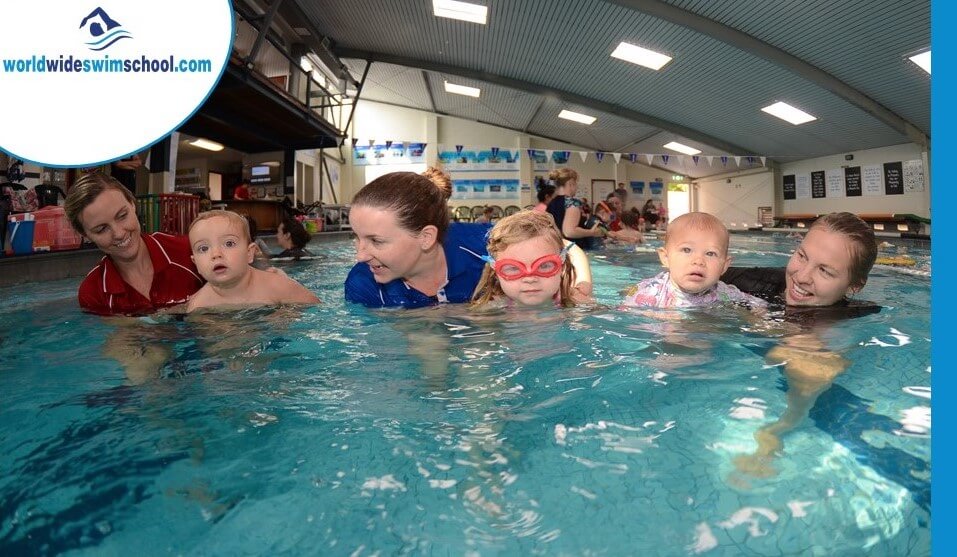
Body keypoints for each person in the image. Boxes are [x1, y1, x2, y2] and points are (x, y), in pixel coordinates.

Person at [721, 212, 881, 477]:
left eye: (825, 270)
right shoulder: (748, 281)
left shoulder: (842, 323)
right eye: (802, 256)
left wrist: (776, 431)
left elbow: (812, 376)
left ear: (854, 286)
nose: (801, 276)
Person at [344, 167, 594, 308]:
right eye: (356, 237)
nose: (360, 255)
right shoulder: (362, 284)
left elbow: (566, 247)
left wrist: (581, 287)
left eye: (376, 240)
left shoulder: (480, 242)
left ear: (426, 237)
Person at [65, 171, 204, 316]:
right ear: (85, 235)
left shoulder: (189, 250)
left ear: (132, 204)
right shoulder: (94, 292)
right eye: (101, 229)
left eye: (122, 216)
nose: (119, 234)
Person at [621, 212, 765, 309]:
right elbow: (624, 317)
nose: (698, 260)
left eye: (710, 253)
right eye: (687, 250)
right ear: (665, 258)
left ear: (724, 266)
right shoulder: (649, 293)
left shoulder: (724, 292)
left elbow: (758, 303)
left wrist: (758, 311)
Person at [185, 211, 319, 311]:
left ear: (249, 253)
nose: (215, 254)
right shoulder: (198, 305)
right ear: (195, 263)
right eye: (203, 248)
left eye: (229, 243)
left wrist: (287, 315)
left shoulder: (277, 286)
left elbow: (317, 310)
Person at [469, 210, 577, 308]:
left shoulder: (577, 304)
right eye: (513, 268)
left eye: (544, 266)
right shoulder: (490, 311)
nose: (530, 279)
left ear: (562, 264)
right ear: (496, 271)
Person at [543, 168, 604, 250]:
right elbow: (569, 232)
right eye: (576, 183)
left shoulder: (549, 202)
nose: (577, 187)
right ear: (570, 183)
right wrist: (592, 232)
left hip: (554, 247)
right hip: (571, 250)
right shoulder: (572, 203)